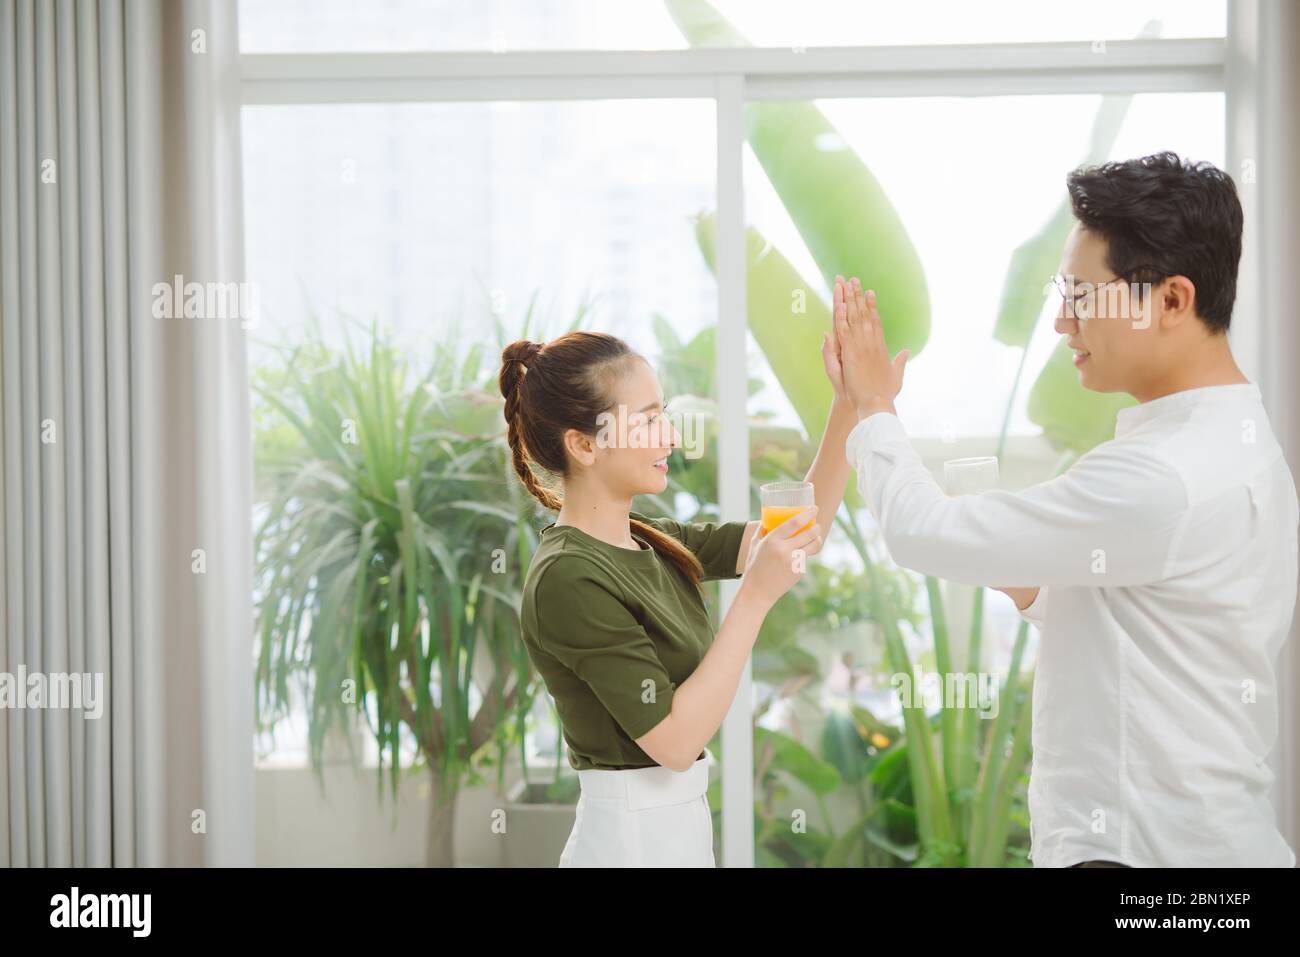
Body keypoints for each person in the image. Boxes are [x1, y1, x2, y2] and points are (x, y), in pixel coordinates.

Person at [831, 151, 1299, 867]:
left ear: (1172, 300)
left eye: (1083, 297)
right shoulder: (1233, 438)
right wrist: (1014, 554)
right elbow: (1140, 613)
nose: (1059, 322)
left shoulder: (1163, 474)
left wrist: (872, 407)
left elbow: (919, 532)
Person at [499, 329, 857, 866]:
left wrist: (849, 405)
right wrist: (755, 597)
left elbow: (801, 531)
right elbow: (674, 742)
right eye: (646, 420)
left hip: (675, 832)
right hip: (629, 842)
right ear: (584, 444)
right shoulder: (568, 577)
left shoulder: (646, 538)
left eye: (662, 413)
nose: (669, 436)